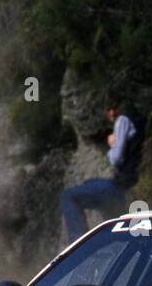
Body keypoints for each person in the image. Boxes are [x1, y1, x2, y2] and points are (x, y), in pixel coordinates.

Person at [59, 99, 145, 242]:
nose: (109, 116)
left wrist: (112, 142)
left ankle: (77, 242)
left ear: (112, 110)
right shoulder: (137, 118)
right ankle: (110, 234)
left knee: (68, 196)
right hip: (125, 185)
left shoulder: (122, 120)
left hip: (121, 187)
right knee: (90, 182)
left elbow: (116, 158)